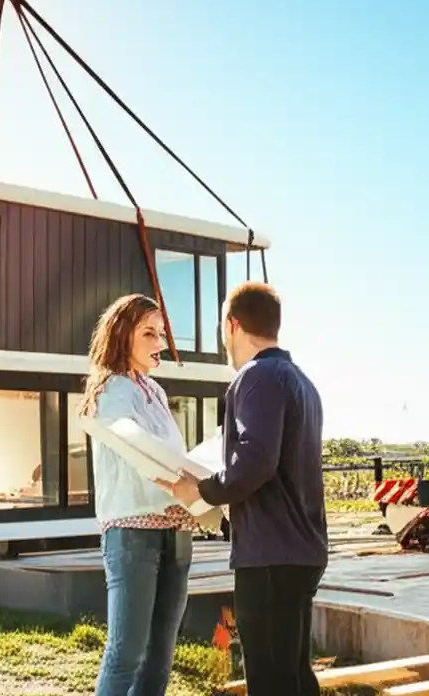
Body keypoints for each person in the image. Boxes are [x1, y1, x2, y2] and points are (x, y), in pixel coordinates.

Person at [156, 281, 328, 696]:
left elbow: (256, 461)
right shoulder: (301, 382)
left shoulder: (256, 377)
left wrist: (201, 491)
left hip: (269, 554)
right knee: (293, 677)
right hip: (301, 550)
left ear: (231, 325)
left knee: (271, 681)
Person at [79, 293, 201, 696]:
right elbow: (139, 455)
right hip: (133, 533)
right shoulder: (110, 390)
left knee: (160, 656)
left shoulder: (156, 391)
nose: (159, 342)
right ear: (121, 334)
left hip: (177, 530)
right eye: (149, 333)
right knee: (126, 653)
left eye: (161, 333)